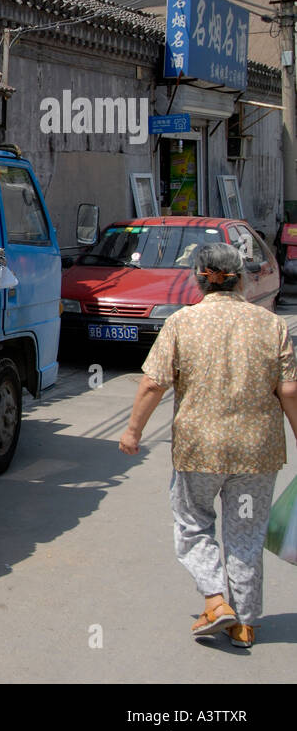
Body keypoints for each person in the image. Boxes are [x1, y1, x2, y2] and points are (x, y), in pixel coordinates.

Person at [119, 242, 297, 648]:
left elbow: (152, 382)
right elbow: (289, 390)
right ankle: (245, 623)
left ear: (199, 278)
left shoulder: (183, 322)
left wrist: (133, 432)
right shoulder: (272, 326)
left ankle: (216, 601)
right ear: (244, 279)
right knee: (246, 534)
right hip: (258, 452)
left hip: (199, 449)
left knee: (193, 524)